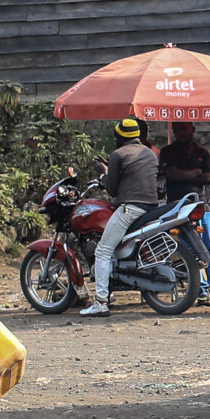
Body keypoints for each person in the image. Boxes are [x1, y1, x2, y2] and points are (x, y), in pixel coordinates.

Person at [81, 118, 158, 317]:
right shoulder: (149, 153)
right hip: (150, 206)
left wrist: (105, 172)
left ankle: (100, 302)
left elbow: (112, 188)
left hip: (131, 207)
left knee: (103, 251)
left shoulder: (118, 154)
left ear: (120, 137)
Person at [156, 122, 210, 307]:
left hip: (203, 208)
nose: (181, 133)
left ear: (192, 130)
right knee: (189, 251)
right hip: (178, 210)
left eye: (184, 129)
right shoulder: (168, 152)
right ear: (174, 131)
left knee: (209, 247)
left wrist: (187, 174)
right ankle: (201, 290)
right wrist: (196, 173)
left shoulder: (202, 152)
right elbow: (171, 175)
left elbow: (209, 177)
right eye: (178, 130)